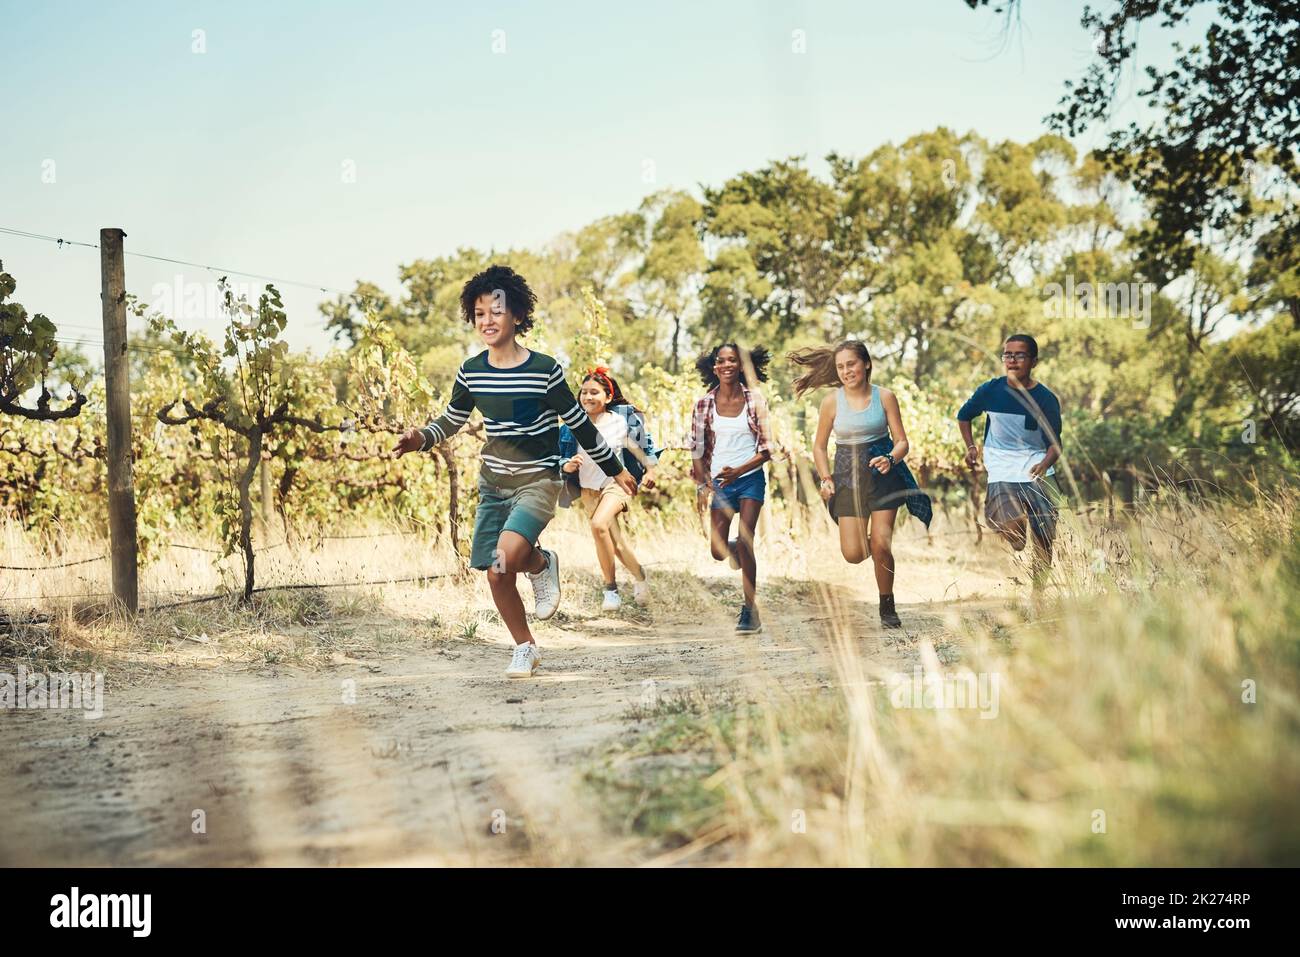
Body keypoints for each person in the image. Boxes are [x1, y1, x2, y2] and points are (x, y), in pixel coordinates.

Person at [393, 265, 638, 679]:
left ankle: (537, 565)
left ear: (518, 316)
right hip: (494, 483)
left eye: (496, 312)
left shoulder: (545, 369)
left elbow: (578, 422)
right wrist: (422, 438)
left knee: (503, 561)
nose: (487, 320)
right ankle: (527, 638)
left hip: (539, 480)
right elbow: (451, 419)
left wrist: (616, 471)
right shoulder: (472, 370)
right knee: (496, 574)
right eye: (479, 313)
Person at [789, 340, 931, 628]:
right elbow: (818, 447)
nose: (846, 371)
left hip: (882, 473)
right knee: (853, 554)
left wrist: (891, 458)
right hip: (845, 475)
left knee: (880, 543)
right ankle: (877, 555)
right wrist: (825, 478)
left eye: (851, 364)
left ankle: (887, 605)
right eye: (840, 367)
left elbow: (902, 441)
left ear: (866, 364)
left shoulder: (885, 397)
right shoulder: (831, 402)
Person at [956, 333, 1063, 587]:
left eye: (1019, 355)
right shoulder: (991, 390)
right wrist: (971, 447)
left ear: (1034, 361)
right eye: (1007, 354)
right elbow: (963, 416)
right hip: (1002, 469)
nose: (1012, 360)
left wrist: (1045, 464)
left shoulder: (1046, 399)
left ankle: (1039, 593)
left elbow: (1055, 445)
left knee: (1044, 540)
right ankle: (1018, 532)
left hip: (1037, 472)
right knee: (1011, 531)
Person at [557, 366, 657, 611]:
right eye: (584, 393)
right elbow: (556, 457)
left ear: (608, 397)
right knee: (616, 542)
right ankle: (641, 578)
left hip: (617, 484)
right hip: (588, 490)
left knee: (598, 525)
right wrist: (566, 465)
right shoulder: (570, 427)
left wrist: (651, 470)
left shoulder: (621, 422)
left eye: (594, 392)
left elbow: (646, 446)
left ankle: (610, 590)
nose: (588, 397)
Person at [690, 343, 773, 634]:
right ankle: (735, 548)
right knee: (717, 550)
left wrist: (739, 470)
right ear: (714, 367)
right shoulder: (704, 404)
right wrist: (703, 484)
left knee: (746, 540)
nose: (726, 365)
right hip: (722, 485)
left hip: (749, 478)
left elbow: (767, 449)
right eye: (721, 361)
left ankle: (750, 611)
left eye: (732, 361)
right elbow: (697, 449)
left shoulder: (755, 401)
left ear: (741, 366)